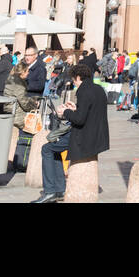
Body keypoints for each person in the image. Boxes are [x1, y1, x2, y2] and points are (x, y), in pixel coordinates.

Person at [32, 63, 109, 203]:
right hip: (96, 135)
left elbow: (79, 120)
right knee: (53, 149)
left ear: (78, 77)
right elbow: (89, 111)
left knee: (46, 149)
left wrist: (65, 112)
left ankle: (50, 191)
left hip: (83, 136)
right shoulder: (98, 89)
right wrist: (75, 108)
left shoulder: (83, 91)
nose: (73, 82)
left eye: (74, 79)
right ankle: (59, 188)